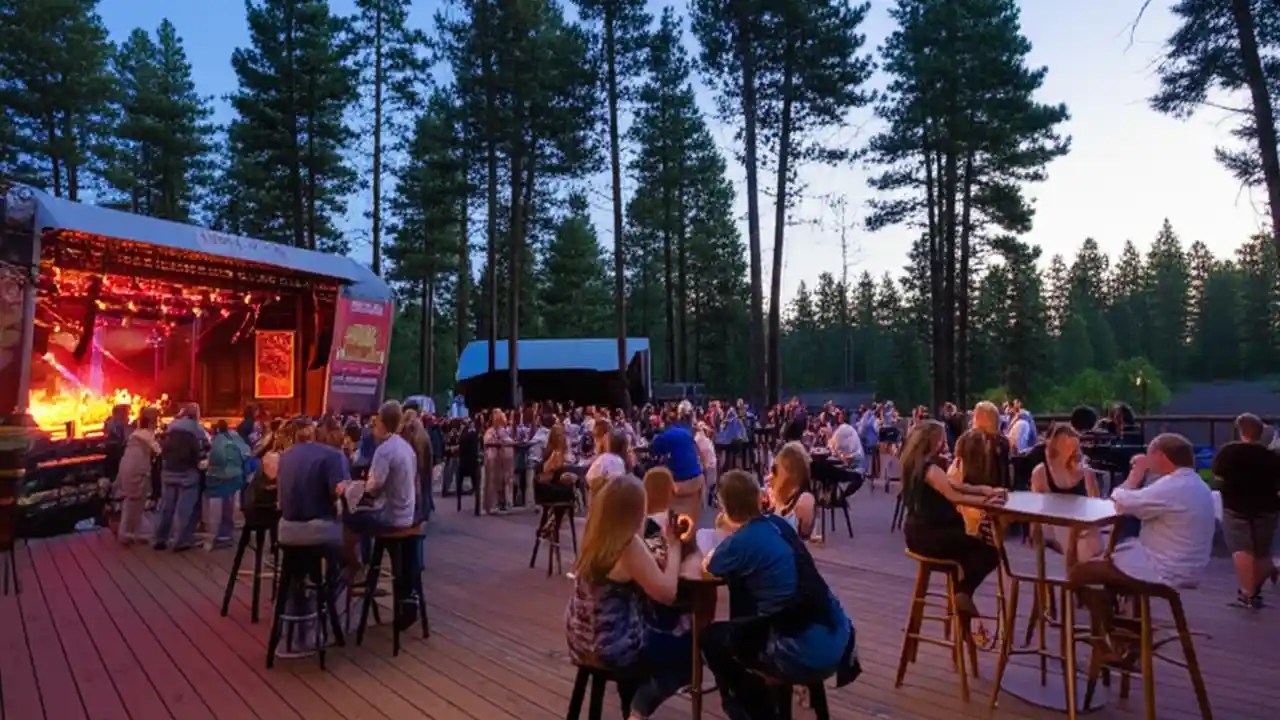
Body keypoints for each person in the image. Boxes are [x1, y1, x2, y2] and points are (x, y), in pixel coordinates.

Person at [702, 471, 857, 720]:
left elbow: (709, 566)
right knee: (753, 624)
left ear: (724, 507)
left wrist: (726, 539)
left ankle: (758, 714)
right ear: (759, 498)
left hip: (803, 651)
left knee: (712, 640)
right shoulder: (780, 524)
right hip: (837, 633)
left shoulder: (741, 541)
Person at [1068, 433, 1216, 662]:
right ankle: (1127, 634)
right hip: (1187, 566)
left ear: (1160, 456)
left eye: (1150, 454)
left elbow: (1121, 501)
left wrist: (1136, 474)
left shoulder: (1173, 486)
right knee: (1112, 568)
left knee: (1078, 573)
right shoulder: (1197, 485)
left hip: (1162, 568)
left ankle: (1115, 634)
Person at [565, 475, 689, 720]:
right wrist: (674, 545)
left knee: (662, 632)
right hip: (613, 646)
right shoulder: (627, 544)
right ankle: (638, 710)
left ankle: (633, 703)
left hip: (580, 639)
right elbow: (667, 593)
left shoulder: (595, 533)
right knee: (688, 649)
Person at [900, 420, 1005, 618]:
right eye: (941, 439)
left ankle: (962, 597)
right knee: (990, 552)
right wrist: (986, 503)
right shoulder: (930, 468)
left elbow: (955, 485)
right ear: (933, 441)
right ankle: (963, 592)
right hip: (935, 535)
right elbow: (954, 495)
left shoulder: (914, 465)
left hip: (917, 533)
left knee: (971, 552)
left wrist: (984, 491)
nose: (944, 443)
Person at [341, 401, 418, 588]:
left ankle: (356, 569)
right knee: (359, 512)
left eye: (376, 422)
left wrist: (349, 488)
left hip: (391, 517)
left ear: (383, 423)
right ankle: (369, 571)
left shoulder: (384, 450)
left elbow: (373, 488)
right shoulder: (405, 446)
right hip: (408, 513)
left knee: (347, 520)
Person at [1212, 413, 1280, 608]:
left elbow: (1217, 478)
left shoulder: (1228, 453)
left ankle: (1247, 592)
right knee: (1263, 552)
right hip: (1268, 508)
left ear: (1240, 431)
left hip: (1236, 506)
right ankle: (1255, 590)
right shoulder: (1272, 457)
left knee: (1242, 549)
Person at [1030, 424, 1102, 567]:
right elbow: (1036, 510)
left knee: (1091, 544)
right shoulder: (1041, 473)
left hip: (1082, 524)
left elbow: (1097, 507)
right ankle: (1078, 578)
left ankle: (1081, 578)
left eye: (1076, 449)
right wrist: (1034, 534)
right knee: (1078, 545)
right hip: (1054, 524)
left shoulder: (1087, 473)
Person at [153, 403, 210, 551]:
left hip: (168, 471)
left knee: (167, 507)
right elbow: (206, 446)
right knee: (185, 509)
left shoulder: (172, 425)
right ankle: (181, 541)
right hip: (188, 473)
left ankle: (160, 538)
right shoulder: (197, 429)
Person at [648, 402, 705, 525]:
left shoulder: (665, 436)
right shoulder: (686, 433)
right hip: (699, 479)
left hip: (682, 484)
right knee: (692, 522)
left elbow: (652, 450)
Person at [115, 407, 160, 545]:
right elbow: (158, 450)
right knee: (135, 502)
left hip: (129, 468)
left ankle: (134, 532)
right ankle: (127, 533)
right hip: (137, 471)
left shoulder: (136, 433)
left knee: (134, 502)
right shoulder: (146, 435)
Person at [205, 419, 251, 550]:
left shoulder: (215, 441)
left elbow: (212, 459)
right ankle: (226, 534)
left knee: (215, 507)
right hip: (234, 476)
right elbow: (246, 453)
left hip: (216, 477)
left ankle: (213, 535)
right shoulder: (235, 438)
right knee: (229, 505)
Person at [767, 442, 817, 541]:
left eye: (775, 470)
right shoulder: (777, 495)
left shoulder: (803, 499)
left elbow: (802, 534)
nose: (771, 475)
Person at [482, 410, 515, 514]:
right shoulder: (490, 432)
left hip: (503, 461)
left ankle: (503, 503)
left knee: (503, 482)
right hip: (493, 461)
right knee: (492, 482)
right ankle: (492, 505)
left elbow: (508, 440)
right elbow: (487, 442)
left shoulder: (503, 431)